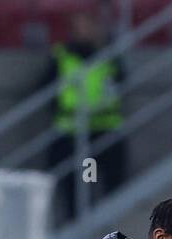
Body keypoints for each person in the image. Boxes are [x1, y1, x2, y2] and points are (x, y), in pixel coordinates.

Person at [43, 9, 127, 218]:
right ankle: (77, 225)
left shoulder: (108, 55)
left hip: (104, 129)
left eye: (90, 25)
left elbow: (122, 82)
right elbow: (44, 90)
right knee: (75, 184)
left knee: (109, 180)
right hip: (72, 132)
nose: (86, 31)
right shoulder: (61, 57)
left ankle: (111, 227)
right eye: (81, 26)